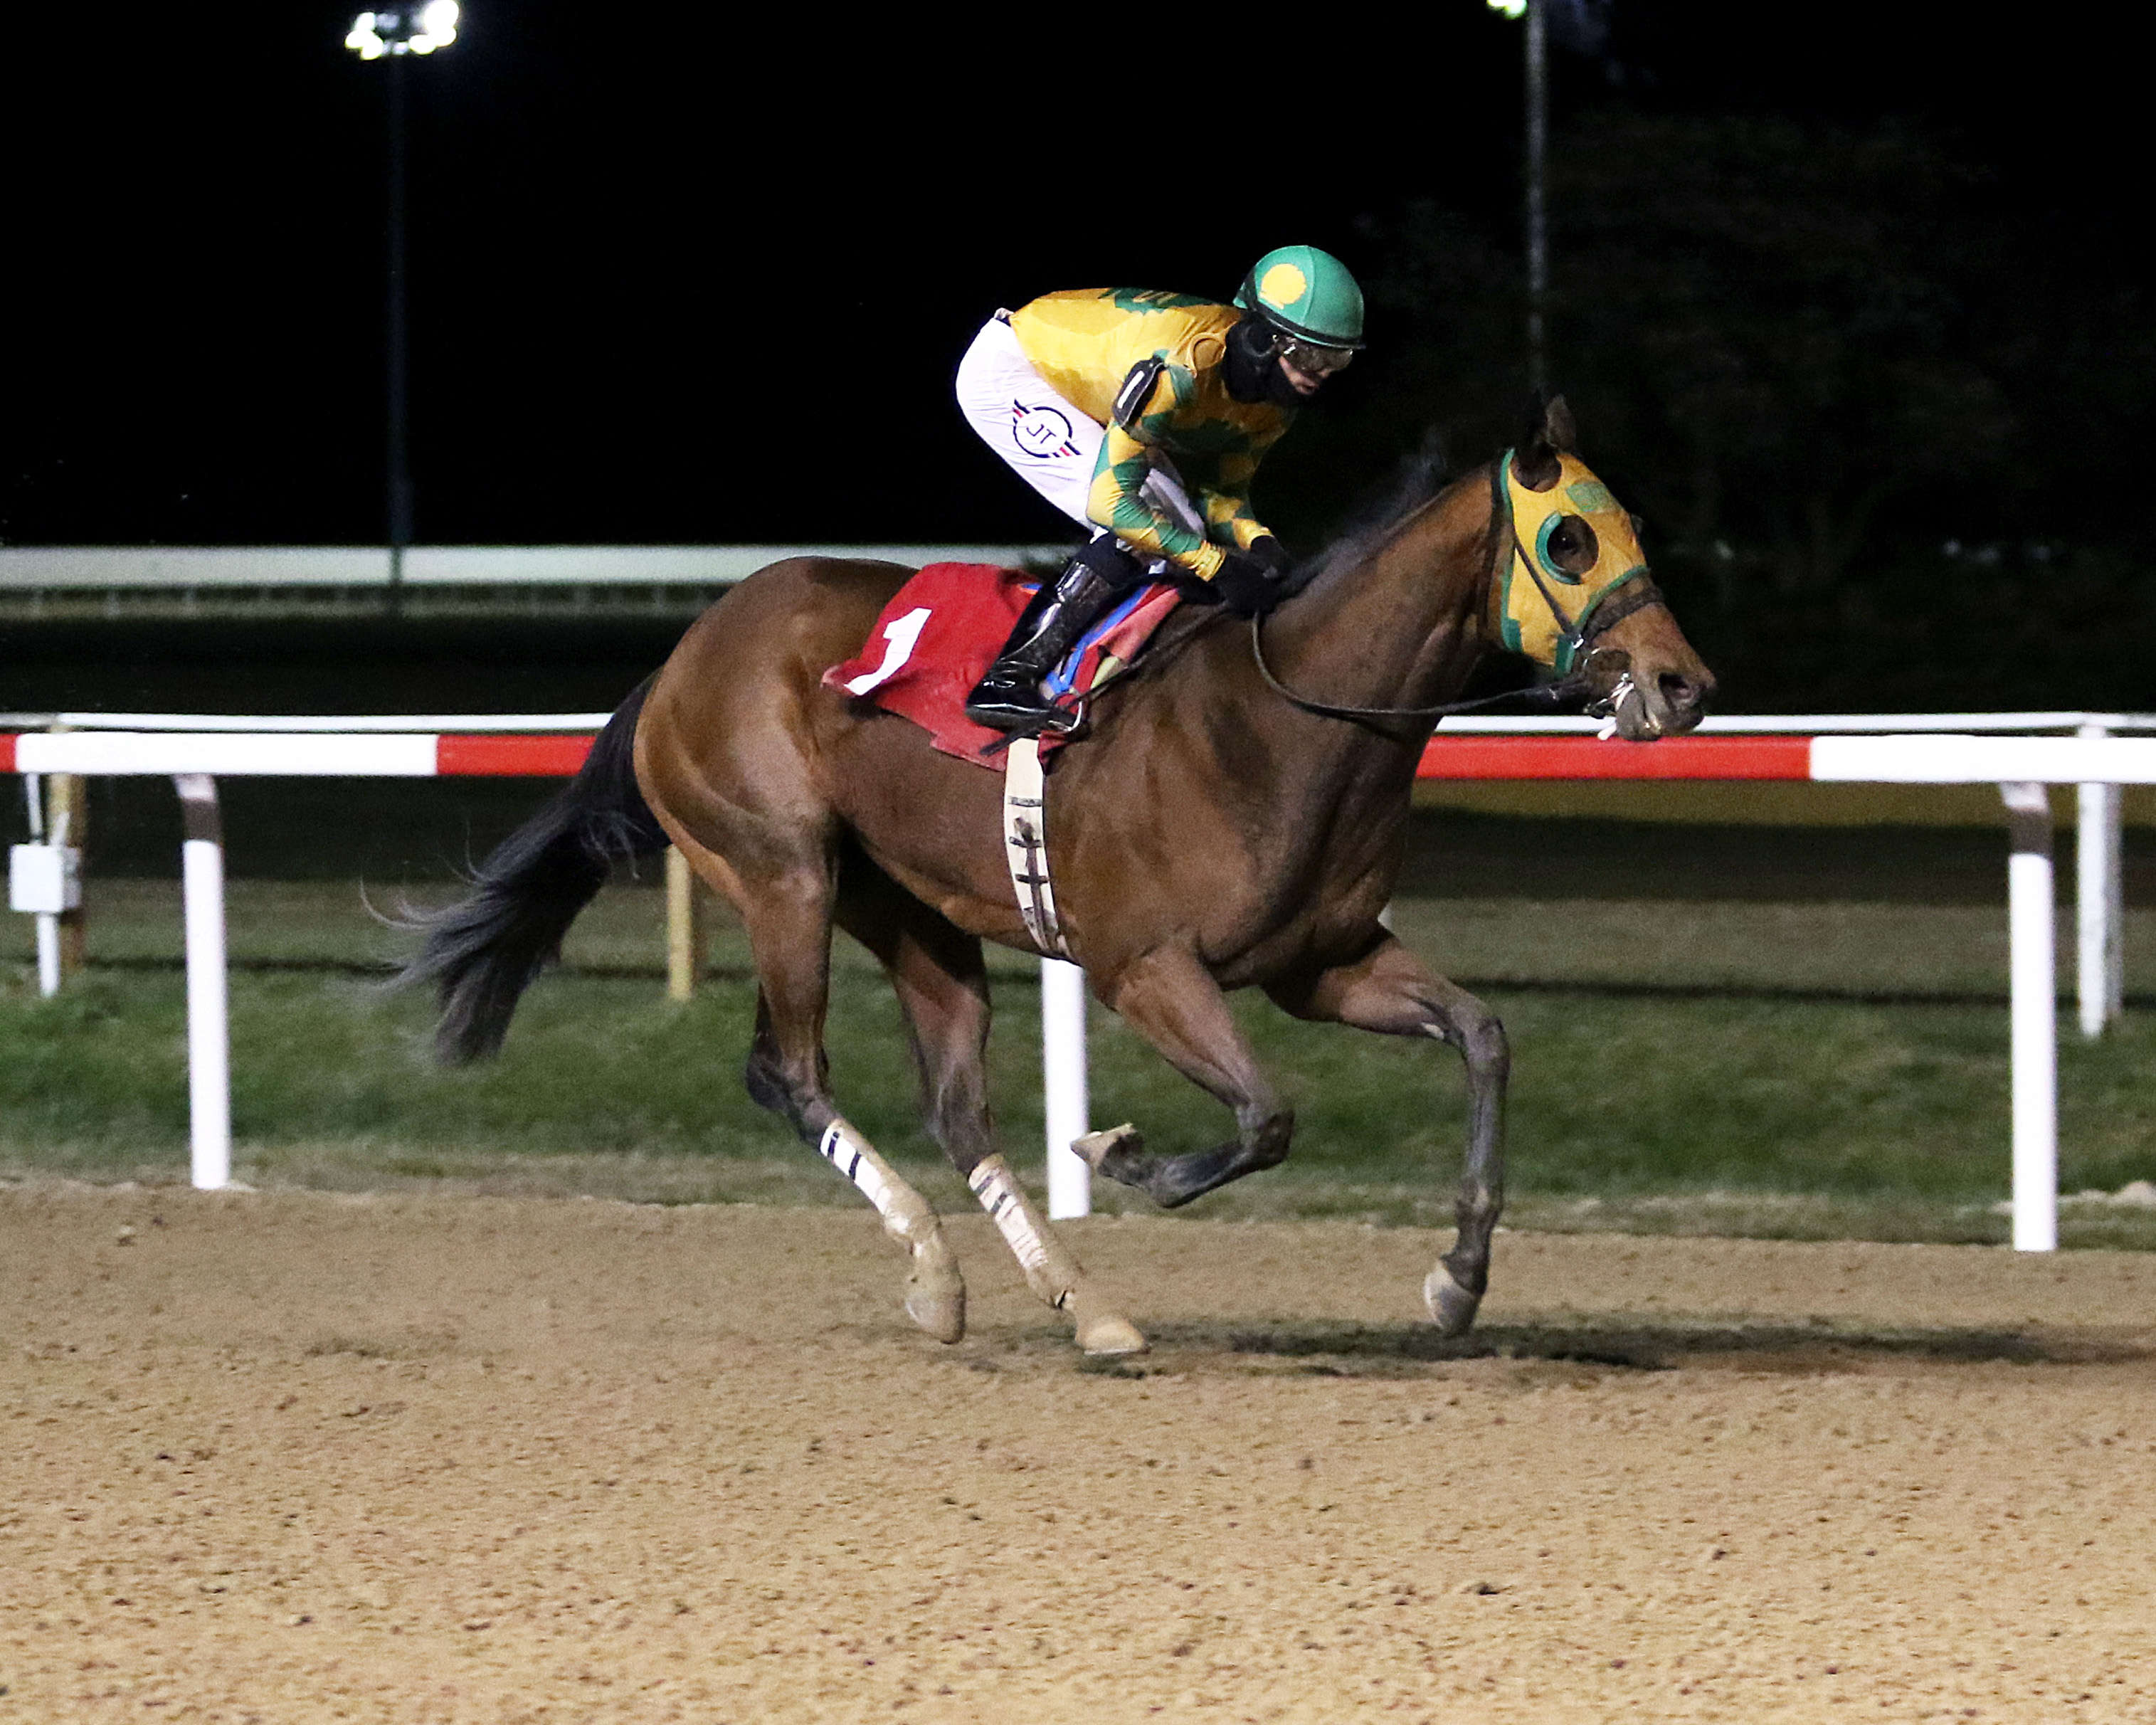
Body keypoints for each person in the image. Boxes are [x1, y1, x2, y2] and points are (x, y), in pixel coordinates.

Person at [952, 245, 1365, 729]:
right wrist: (1216, 565)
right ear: (1258, 338)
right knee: (1146, 524)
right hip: (1012, 370)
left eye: (1336, 359)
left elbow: (1221, 495)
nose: (1319, 372)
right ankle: (1006, 682)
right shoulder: (1182, 369)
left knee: (1184, 528)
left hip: (1082, 379)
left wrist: (1262, 545)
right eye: (1308, 353)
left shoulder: (1275, 402)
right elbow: (1110, 505)